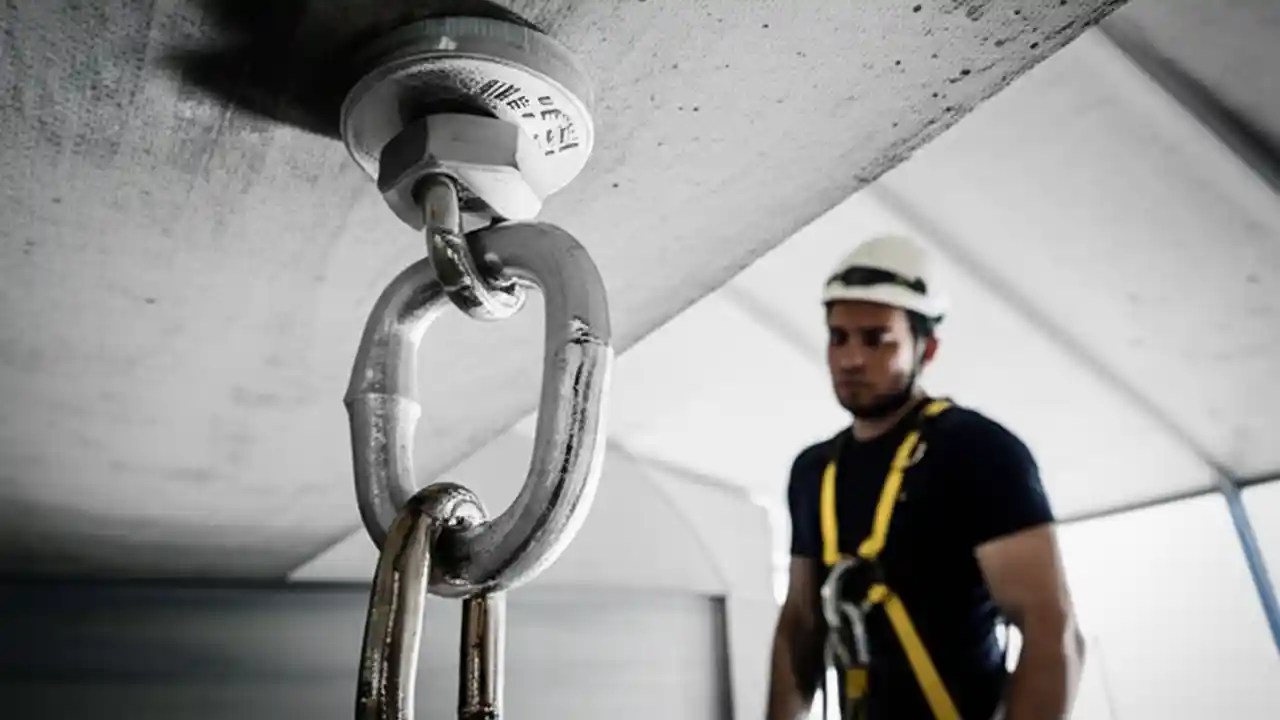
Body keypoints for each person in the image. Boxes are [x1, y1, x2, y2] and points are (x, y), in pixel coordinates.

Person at [765, 235, 1086, 720]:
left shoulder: (976, 451)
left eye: (877, 340)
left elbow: (1052, 630)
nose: (851, 358)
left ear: (927, 348)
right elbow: (801, 625)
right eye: (839, 337)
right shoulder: (815, 472)